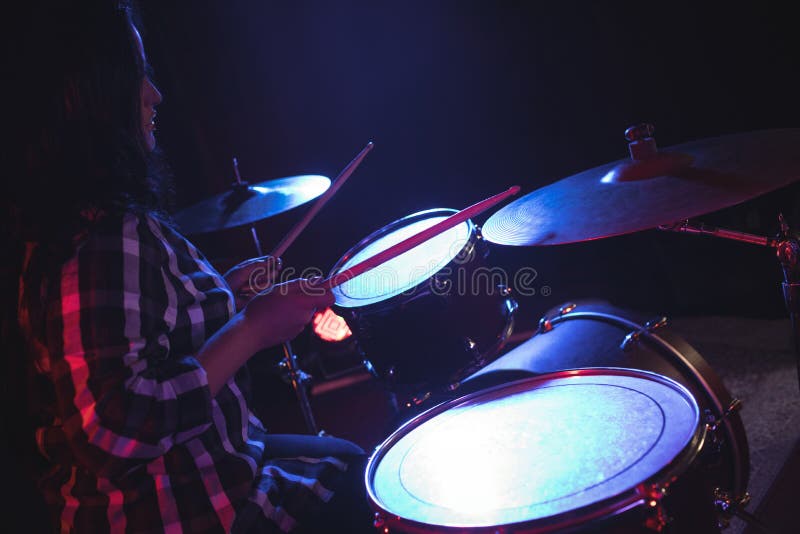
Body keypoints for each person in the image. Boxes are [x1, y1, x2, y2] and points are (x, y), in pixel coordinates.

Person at [1, 1, 372, 532]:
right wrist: (252, 330)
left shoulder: (86, 223)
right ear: (92, 96)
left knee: (346, 457)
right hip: (178, 510)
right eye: (138, 74)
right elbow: (111, 429)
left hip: (209, 470)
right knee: (360, 481)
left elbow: (143, 338)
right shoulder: (101, 241)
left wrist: (226, 294)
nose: (155, 94)